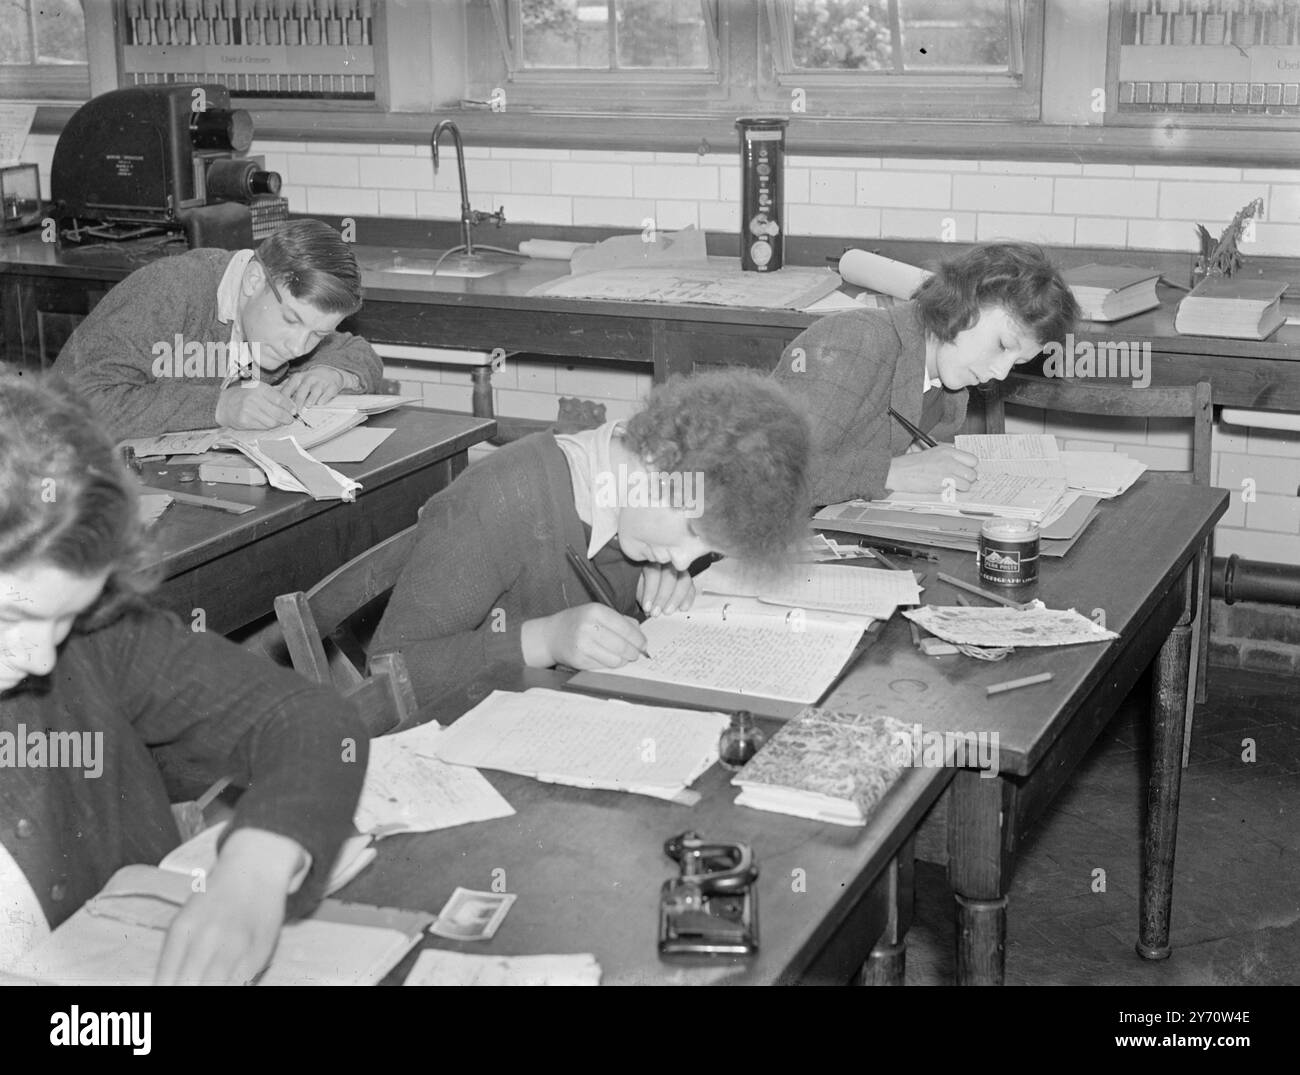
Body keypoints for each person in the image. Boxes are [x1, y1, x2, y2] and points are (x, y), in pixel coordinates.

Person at [0, 373, 367, 985]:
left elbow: (308, 719)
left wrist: (254, 869)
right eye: (13, 619)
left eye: (63, 616)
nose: (41, 658)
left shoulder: (93, 638)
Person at [370, 369, 812, 707]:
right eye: (694, 532)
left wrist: (649, 578)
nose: (683, 562)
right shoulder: (496, 500)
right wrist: (547, 639)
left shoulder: (636, 501)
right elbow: (391, 669)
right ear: (658, 458)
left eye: (705, 551)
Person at [771, 242, 1079, 506]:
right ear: (965, 303)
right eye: (1003, 345)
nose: (1000, 372)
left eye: (1017, 362)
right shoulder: (854, 340)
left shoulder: (945, 386)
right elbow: (766, 472)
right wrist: (892, 472)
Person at [52, 218, 383, 442]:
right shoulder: (170, 291)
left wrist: (332, 374)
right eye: (291, 320)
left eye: (318, 335)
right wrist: (220, 406)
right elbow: (72, 406)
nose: (298, 347)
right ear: (254, 280)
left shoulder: (281, 320)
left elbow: (356, 352)